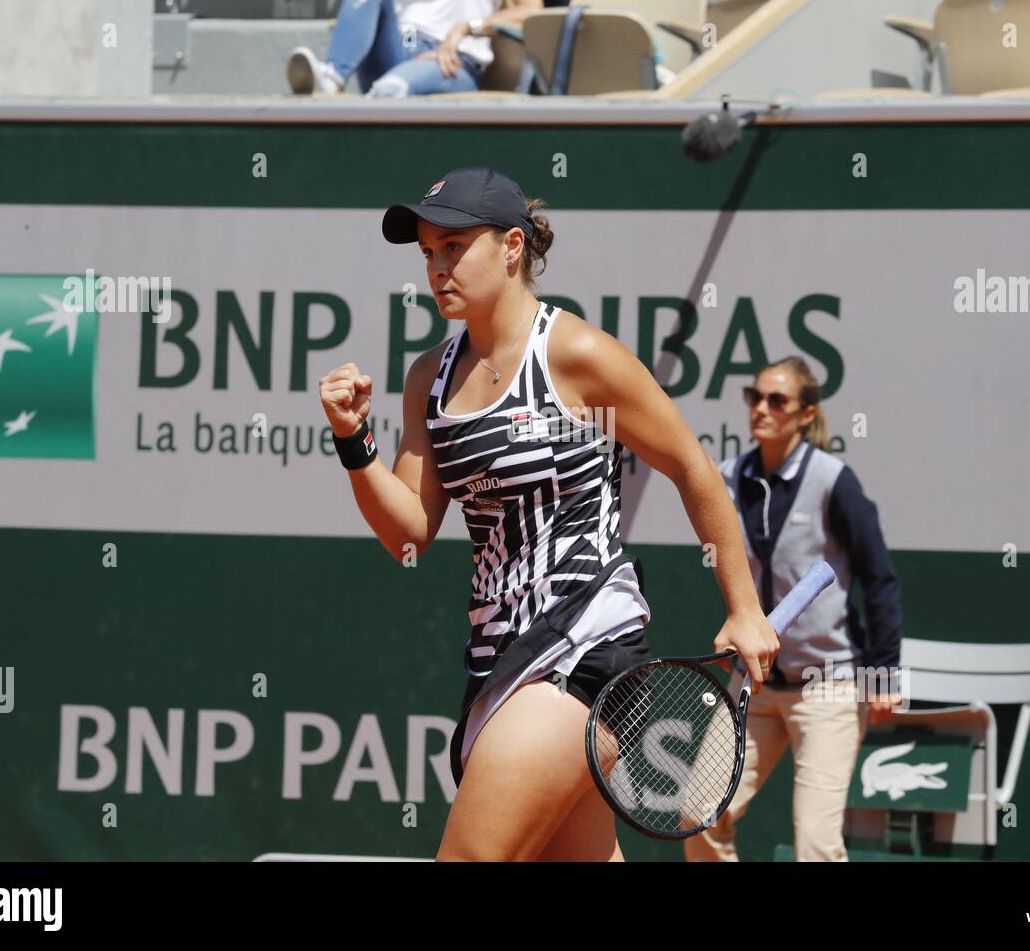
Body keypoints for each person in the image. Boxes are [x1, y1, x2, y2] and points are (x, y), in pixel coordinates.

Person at [318, 166, 779, 861]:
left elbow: (692, 465)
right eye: (428, 253)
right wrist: (354, 441)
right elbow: (408, 532)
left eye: (453, 247)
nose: (437, 268)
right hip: (497, 655)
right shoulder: (428, 379)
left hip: (586, 645)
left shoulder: (576, 354)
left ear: (510, 247)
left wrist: (744, 608)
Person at [683, 357, 904, 863]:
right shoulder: (730, 477)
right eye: (754, 396)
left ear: (806, 414)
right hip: (754, 685)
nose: (760, 408)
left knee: (816, 848)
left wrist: (886, 673)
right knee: (698, 815)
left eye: (776, 400)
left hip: (829, 689)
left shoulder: (834, 481)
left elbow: (879, 579)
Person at [287, 0, 541, 98]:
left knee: (391, 89)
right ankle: (332, 78)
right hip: (397, 48)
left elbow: (531, 10)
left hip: (452, 58)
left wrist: (465, 28)